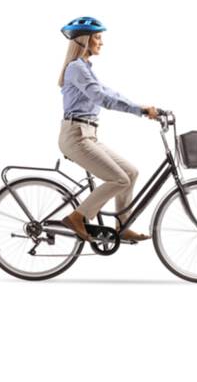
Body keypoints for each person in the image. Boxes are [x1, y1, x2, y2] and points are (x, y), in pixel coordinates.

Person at [56, 17, 160, 243]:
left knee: (130, 173)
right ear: (85, 40)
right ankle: (77, 217)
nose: (101, 42)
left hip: (88, 135)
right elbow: (102, 98)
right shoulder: (76, 68)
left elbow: (110, 93)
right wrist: (140, 111)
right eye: (98, 37)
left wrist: (142, 107)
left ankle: (122, 227)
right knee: (119, 180)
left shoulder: (85, 68)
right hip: (76, 136)